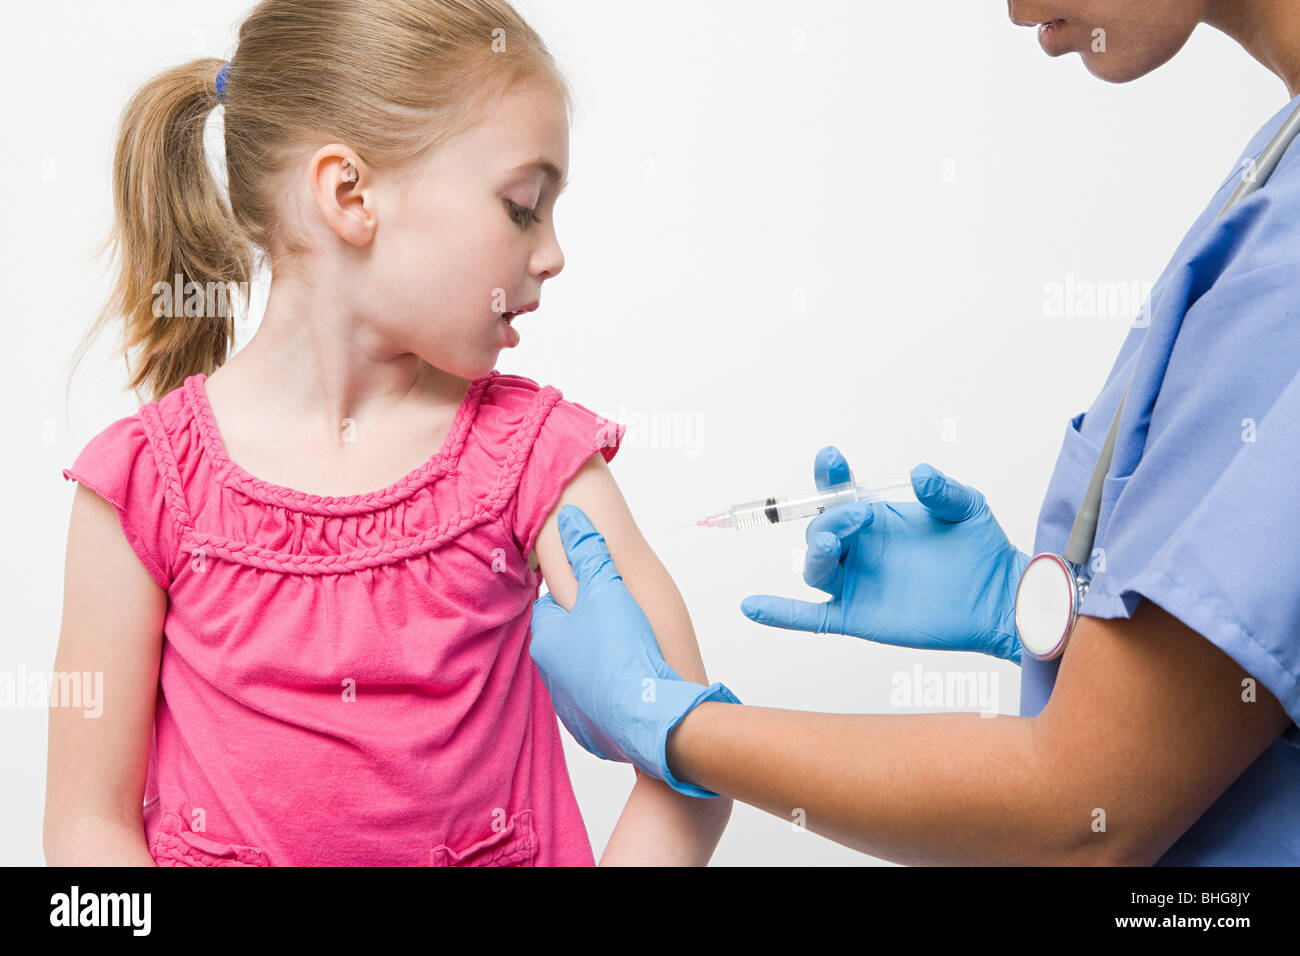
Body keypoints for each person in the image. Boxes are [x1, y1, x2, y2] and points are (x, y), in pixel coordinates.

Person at [529, 0, 1300, 865]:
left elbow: (1085, 815)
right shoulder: (1280, 156)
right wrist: (1024, 605)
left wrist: (671, 723)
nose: (1011, 10)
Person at [45, 0, 733, 866]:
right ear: (350, 195)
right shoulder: (143, 488)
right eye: (524, 206)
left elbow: (694, 761)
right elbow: (84, 829)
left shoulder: (540, 465)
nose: (553, 252)